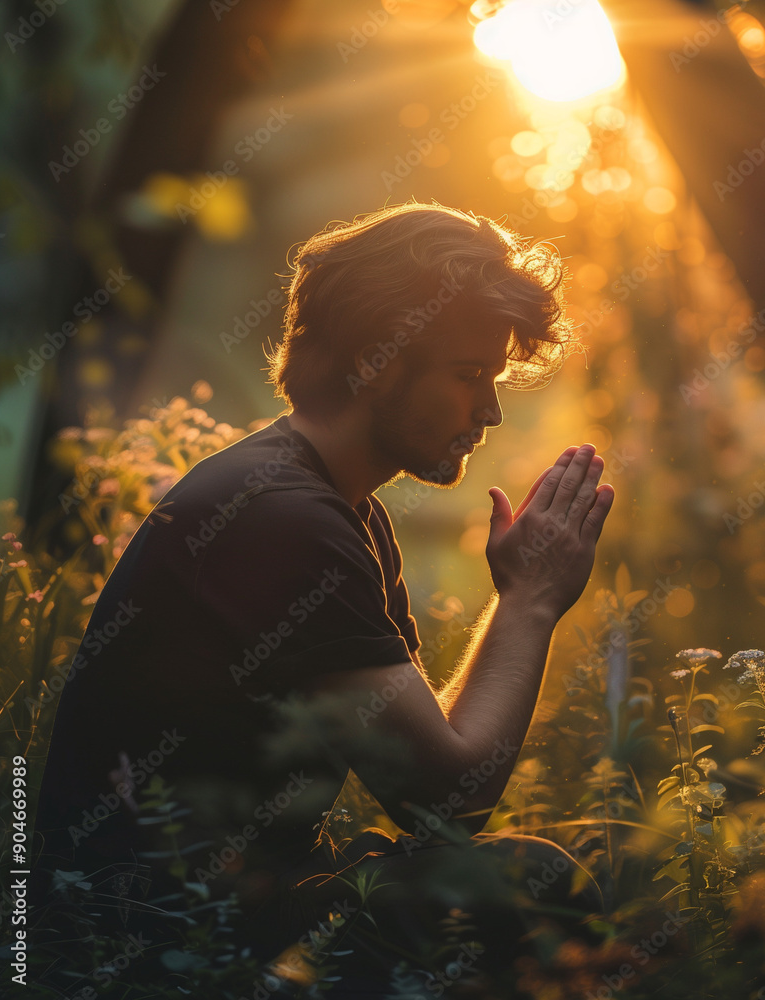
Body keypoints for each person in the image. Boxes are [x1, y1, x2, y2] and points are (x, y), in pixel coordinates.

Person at [32, 201, 616, 994]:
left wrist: (524, 596)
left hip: (243, 907)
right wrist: (530, 603)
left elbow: (426, 767)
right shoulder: (283, 518)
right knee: (526, 883)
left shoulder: (344, 513)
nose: (491, 409)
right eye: (468, 373)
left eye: (496, 378)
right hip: (148, 941)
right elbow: (446, 799)